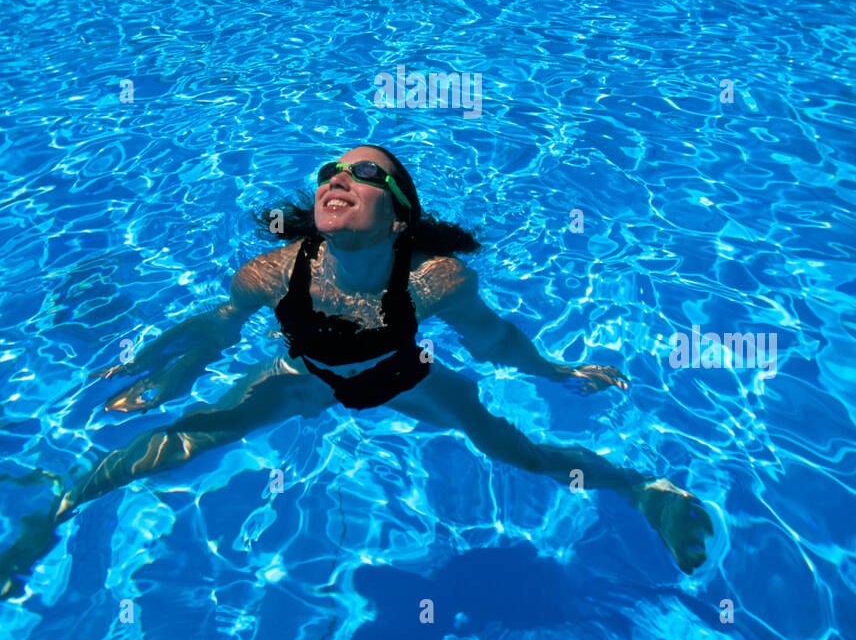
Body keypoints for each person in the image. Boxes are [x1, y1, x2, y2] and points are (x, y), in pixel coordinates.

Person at [0, 145, 712, 599]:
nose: (339, 178)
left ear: (400, 217)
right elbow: (218, 326)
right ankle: (55, 511)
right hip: (301, 375)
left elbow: (495, 341)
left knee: (515, 452)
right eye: (331, 173)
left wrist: (556, 373)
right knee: (189, 435)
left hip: (407, 378)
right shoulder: (272, 273)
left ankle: (643, 490)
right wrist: (163, 372)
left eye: (367, 174)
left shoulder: (436, 280)